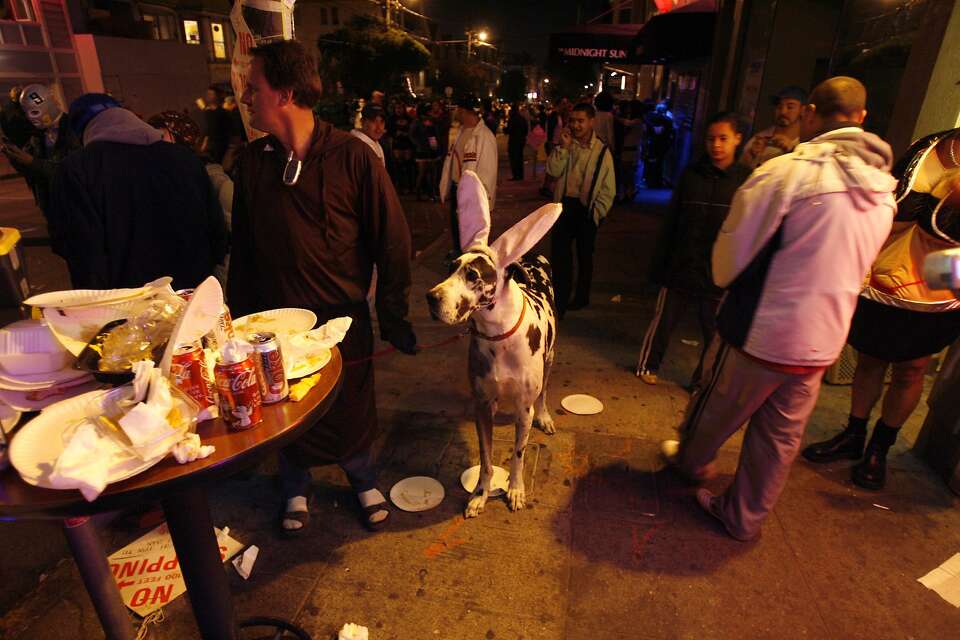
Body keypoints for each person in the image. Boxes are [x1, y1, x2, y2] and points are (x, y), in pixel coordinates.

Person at [660, 77, 896, 541]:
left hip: (761, 330)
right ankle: (744, 517)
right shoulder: (884, 189)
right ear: (862, 119)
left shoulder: (786, 173)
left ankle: (692, 465)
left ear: (810, 113)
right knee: (780, 438)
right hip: (823, 339)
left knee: (713, 410)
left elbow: (731, 253)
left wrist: (724, 280)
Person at [229, 40, 416, 534]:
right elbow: (243, 251)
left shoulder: (354, 158)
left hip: (341, 321)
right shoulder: (251, 164)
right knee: (284, 407)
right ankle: (293, 485)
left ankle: (362, 478)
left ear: (285, 92)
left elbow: (393, 242)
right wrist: (236, 324)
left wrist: (394, 317)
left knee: (348, 406)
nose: (245, 98)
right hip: (274, 325)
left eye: (254, 88)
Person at [802, 126, 960, 490]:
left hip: (940, 276)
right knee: (870, 357)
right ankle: (854, 434)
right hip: (884, 272)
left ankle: (879, 449)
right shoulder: (933, 143)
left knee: (912, 367)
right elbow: (893, 200)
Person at [47, 94, 227, 290]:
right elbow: (216, 231)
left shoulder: (77, 169)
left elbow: (80, 247)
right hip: (192, 295)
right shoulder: (183, 157)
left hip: (126, 303)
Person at [637, 112, 751, 388]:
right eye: (711, 139)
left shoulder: (746, 181)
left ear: (738, 139)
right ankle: (648, 365)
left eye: (723, 138)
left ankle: (703, 378)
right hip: (682, 265)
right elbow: (672, 222)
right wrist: (661, 264)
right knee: (664, 321)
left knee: (714, 331)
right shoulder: (691, 175)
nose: (716, 145)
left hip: (718, 272)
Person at [148, 109, 234, 289]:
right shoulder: (158, 178)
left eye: (159, 137)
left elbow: (228, 244)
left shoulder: (214, 180)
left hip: (209, 284)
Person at [545, 102, 616, 318]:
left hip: (586, 210)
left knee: (585, 256)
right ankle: (561, 300)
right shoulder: (566, 144)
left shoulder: (602, 151)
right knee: (560, 256)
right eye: (572, 121)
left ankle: (581, 296)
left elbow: (608, 188)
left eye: (580, 121)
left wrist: (597, 213)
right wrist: (563, 148)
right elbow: (552, 170)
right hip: (564, 206)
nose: (575, 125)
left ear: (591, 121)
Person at [1, 84, 79, 214]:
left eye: (34, 112)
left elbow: (71, 171)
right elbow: (33, 173)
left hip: (76, 205)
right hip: (53, 208)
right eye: (27, 114)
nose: (31, 119)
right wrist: (15, 157)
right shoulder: (37, 137)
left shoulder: (74, 129)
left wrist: (32, 162)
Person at [439, 94, 498, 255]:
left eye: (457, 108)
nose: (455, 112)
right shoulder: (461, 132)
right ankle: (459, 256)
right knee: (458, 229)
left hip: (472, 195)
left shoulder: (485, 136)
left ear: (464, 111)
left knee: (472, 234)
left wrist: (483, 201)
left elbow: (488, 172)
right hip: (457, 190)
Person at [739, 86, 805, 170]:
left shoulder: (805, 143)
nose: (783, 112)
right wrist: (751, 154)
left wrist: (792, 151)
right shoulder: (759, 138)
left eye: (790, 107)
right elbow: (739, 173)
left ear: (803, 110)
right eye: (779, 107)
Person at [642, 102, 675, 188]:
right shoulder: (668, 120)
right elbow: (671, 133)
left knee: (650, 161)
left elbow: (647, 131)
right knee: (659, 163)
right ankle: (657, 181)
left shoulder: (651, 118)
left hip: (653, 143)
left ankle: (649, 180)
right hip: (663, 144)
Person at [506, 101, 529, 181]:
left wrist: (505, 129)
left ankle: (516, 175)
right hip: (521, 141)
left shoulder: (512, 119)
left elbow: (508, 130)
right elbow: (526, 129)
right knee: (519, 158)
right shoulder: (522, 118)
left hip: (514, 141)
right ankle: (520, 175)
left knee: (514, 158)